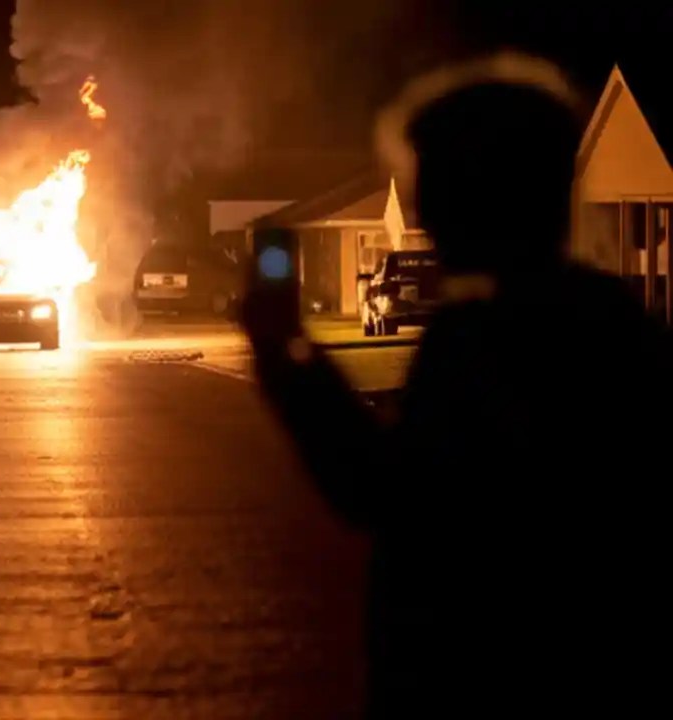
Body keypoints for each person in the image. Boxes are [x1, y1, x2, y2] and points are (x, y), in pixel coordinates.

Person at [243, 54, 670, 718]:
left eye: (432, 187)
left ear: (478, 195)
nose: (424, 212)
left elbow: (387, 491)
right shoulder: (615, 326)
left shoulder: (487, 340)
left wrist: (285, 363)